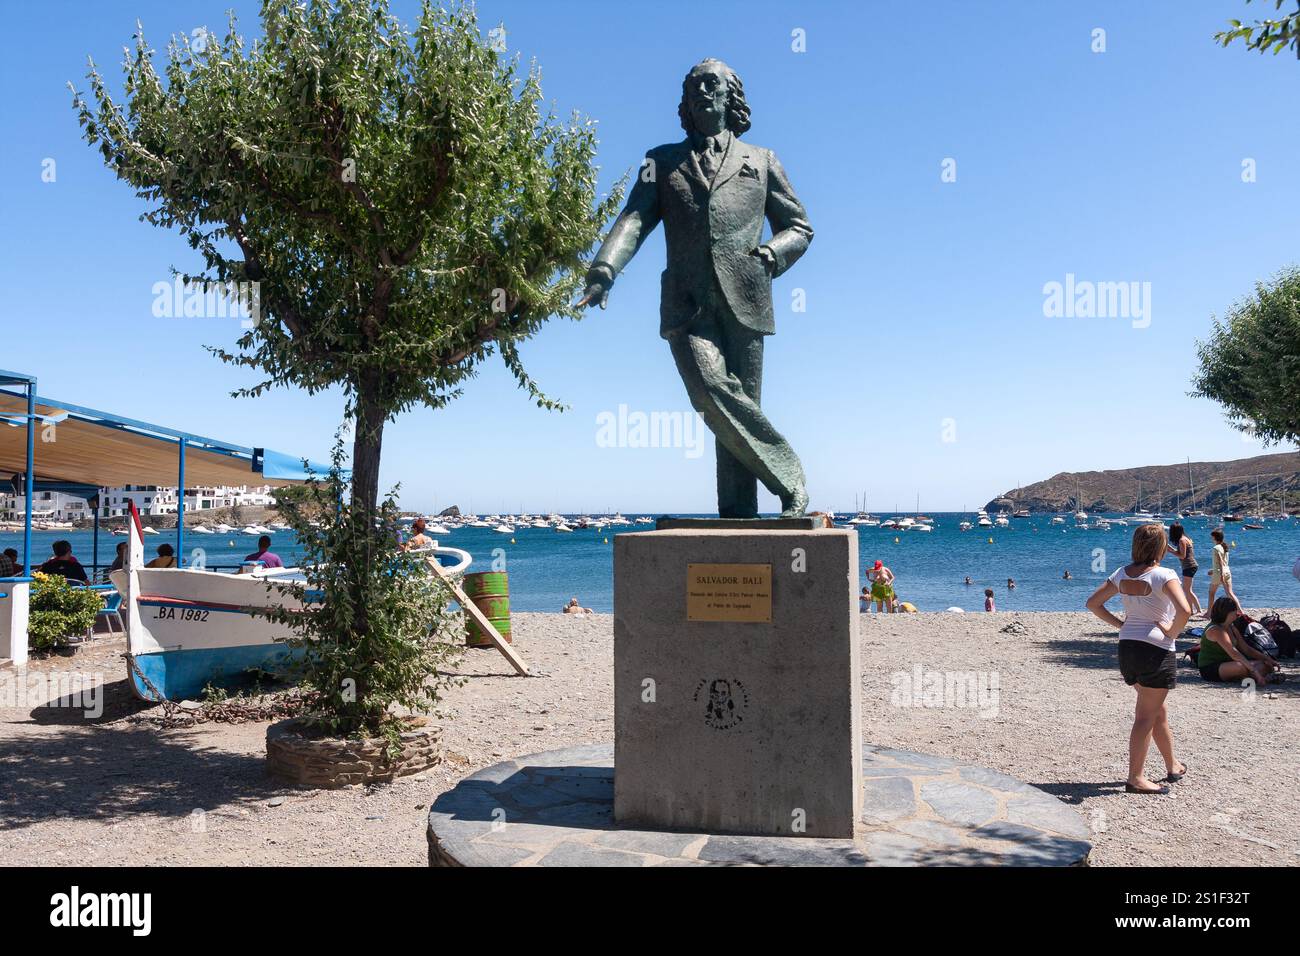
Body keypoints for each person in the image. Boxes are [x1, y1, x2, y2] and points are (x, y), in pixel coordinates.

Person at [1085, 524, 1192, 795]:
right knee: (1145, 715)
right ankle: (1135, 778)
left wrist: (1121, 624)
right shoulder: (1164, 575)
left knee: (1157, 710)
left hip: (1128, 648)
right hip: (1155, 649)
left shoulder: (1121, 574)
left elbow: (1093, 603)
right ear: (1160, 547)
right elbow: (1185, 610)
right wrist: (1172, 632)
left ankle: (1173, 765)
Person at [1196, 597, 1280, 685]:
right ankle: (1258, 677)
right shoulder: (1216, 630)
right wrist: (1255, 671)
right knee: (1242, 668)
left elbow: (1246, 649)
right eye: (1235, 611)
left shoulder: (1230, 626)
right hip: (1211, 667)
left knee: (1266, 665)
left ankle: (1251, 677)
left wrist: (1268, 659)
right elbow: (1234, 653)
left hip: (1229, 663)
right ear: (1227, 613)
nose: (1238, 613)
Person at [1166, 523, 1203, 617]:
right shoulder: (1185, 538)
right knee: (1187, 590)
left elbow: (1182, 556)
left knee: (1187, 590)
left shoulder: (1182, 540)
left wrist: (1170, 551)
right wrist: (1171, 548)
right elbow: (1182, 552)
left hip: (1189, 566)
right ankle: (1194, 610)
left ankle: (1196, 610)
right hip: (1190, 565)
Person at [1207, 528, 1239, 612]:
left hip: (1219, 573)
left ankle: (1209, 613)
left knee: (1211, 593)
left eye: (1212, 537)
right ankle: (1240, 611)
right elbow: (1224, 563)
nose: (1211, 538)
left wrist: (1220, 574)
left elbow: (1220, 562)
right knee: (1230, 593)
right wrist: (1213, 571)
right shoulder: (1225, 547)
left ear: (1214, 537)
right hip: (1227, 571)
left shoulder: (1216, 548)